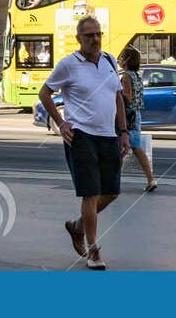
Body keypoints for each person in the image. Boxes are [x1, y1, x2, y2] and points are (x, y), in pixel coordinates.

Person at [38, 14, 129, 270]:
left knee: (111, 192)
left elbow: (118, 97)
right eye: (89, 35)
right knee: (90, 193)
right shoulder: (68, 65)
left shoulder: (110, 60)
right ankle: (93, 250)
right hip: (81, 136)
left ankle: (78, 226)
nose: (95, 39)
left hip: (109, 135)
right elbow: (45, 93)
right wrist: (60, 121)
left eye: (98, 34)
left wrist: (123, 131)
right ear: (78, 39)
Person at [118, 48, 158, 192]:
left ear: (127, 60)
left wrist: (116, 94)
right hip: (136, 114)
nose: (120, 60)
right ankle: (150, 179)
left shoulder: (126, 76)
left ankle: (114, 181)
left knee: (126, 148)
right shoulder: (137, 75)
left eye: (122, 57)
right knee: (134, 147)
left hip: (128, 116)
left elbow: (127, 97)